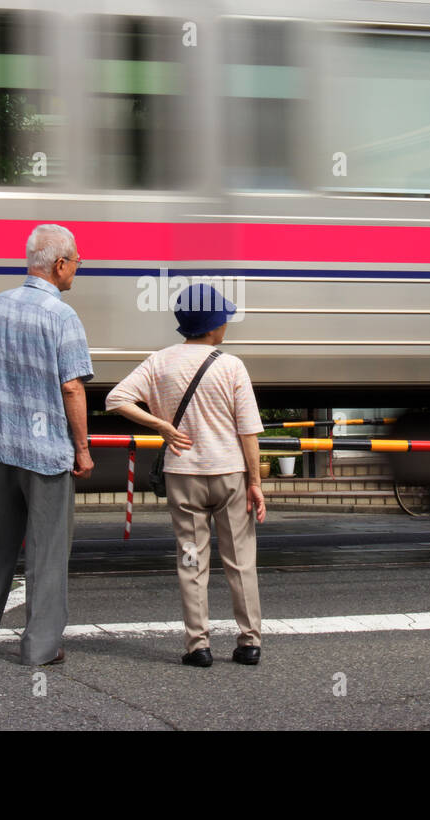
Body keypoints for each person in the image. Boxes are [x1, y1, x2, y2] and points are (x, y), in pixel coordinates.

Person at [0, 223, 94, 666]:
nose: (79, 268)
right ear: (61, 264)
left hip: (0, 448)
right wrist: (82, 449)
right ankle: (39, 648)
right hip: (47, 455)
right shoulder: (62, 315)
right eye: (77, 261)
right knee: (47, 553)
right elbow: (71, 387)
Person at [106, 283, 266, 668]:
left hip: (183, 476)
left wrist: (160, 424)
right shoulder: (231, 365)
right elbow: (248, 431)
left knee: (192, 560)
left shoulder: (159, 362)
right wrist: (256, 483)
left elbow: (116, 399)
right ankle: (249, 644)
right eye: (223, 318)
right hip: (229, 473)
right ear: (213, 326)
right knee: (240, 561)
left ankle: (199, 646)